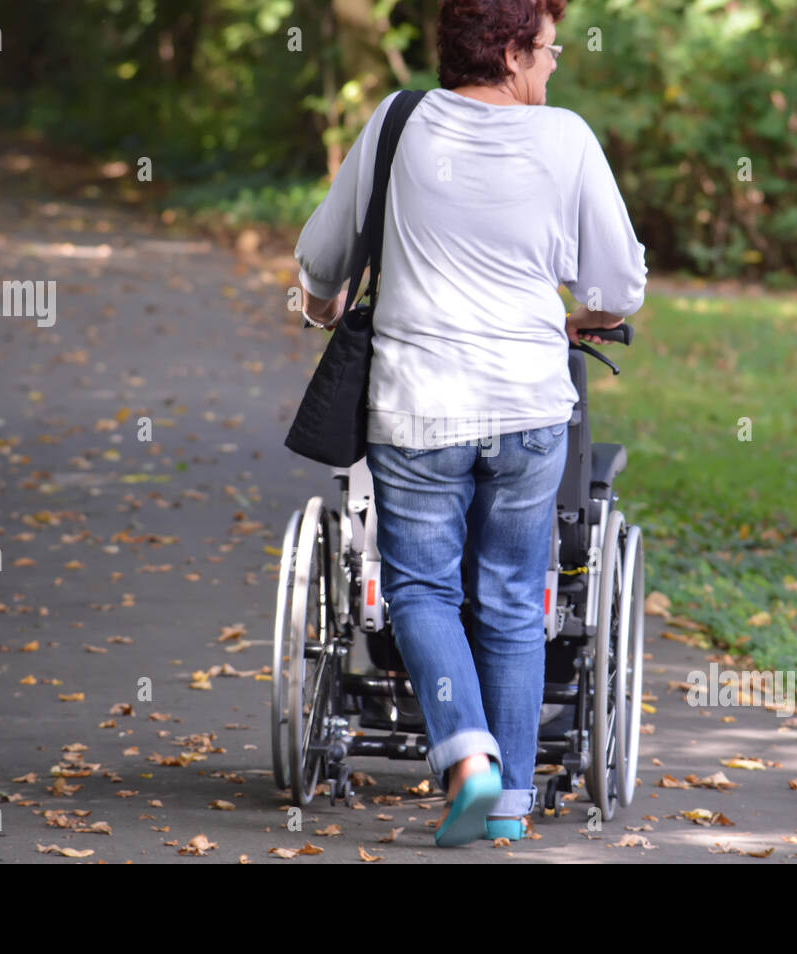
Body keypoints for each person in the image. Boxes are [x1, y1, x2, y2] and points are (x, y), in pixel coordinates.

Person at [292, 0, 647, 846]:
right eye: (550, 49)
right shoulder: (567, 141)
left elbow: (321, 262)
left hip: (419, 407)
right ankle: (511, 802)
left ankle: (469, 761)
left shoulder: (397, 121)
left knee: (420, 591)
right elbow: (619, 286)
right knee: (517, 602)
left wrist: (316, 307)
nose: (556, 65)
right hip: (529, 411)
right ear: (516, 49)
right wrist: (583, 317)